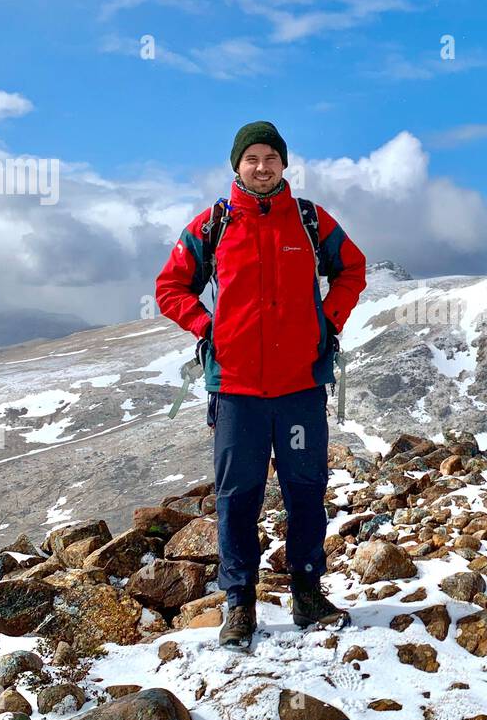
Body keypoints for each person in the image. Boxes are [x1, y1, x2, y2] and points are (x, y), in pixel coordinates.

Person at [155, 120, 367, 648]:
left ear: (284, 165)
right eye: (252, 157)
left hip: (299, 388)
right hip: (237, 391)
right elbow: (170, 287)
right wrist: (209, 327)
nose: (262, 165)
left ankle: (307, 592)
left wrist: (328, 321)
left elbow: (352, 269)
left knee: (305, 490)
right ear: (237, 166)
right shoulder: (215, 224)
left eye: (271, 156)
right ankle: (239, 603)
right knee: (237, 496)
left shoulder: (309, 220)